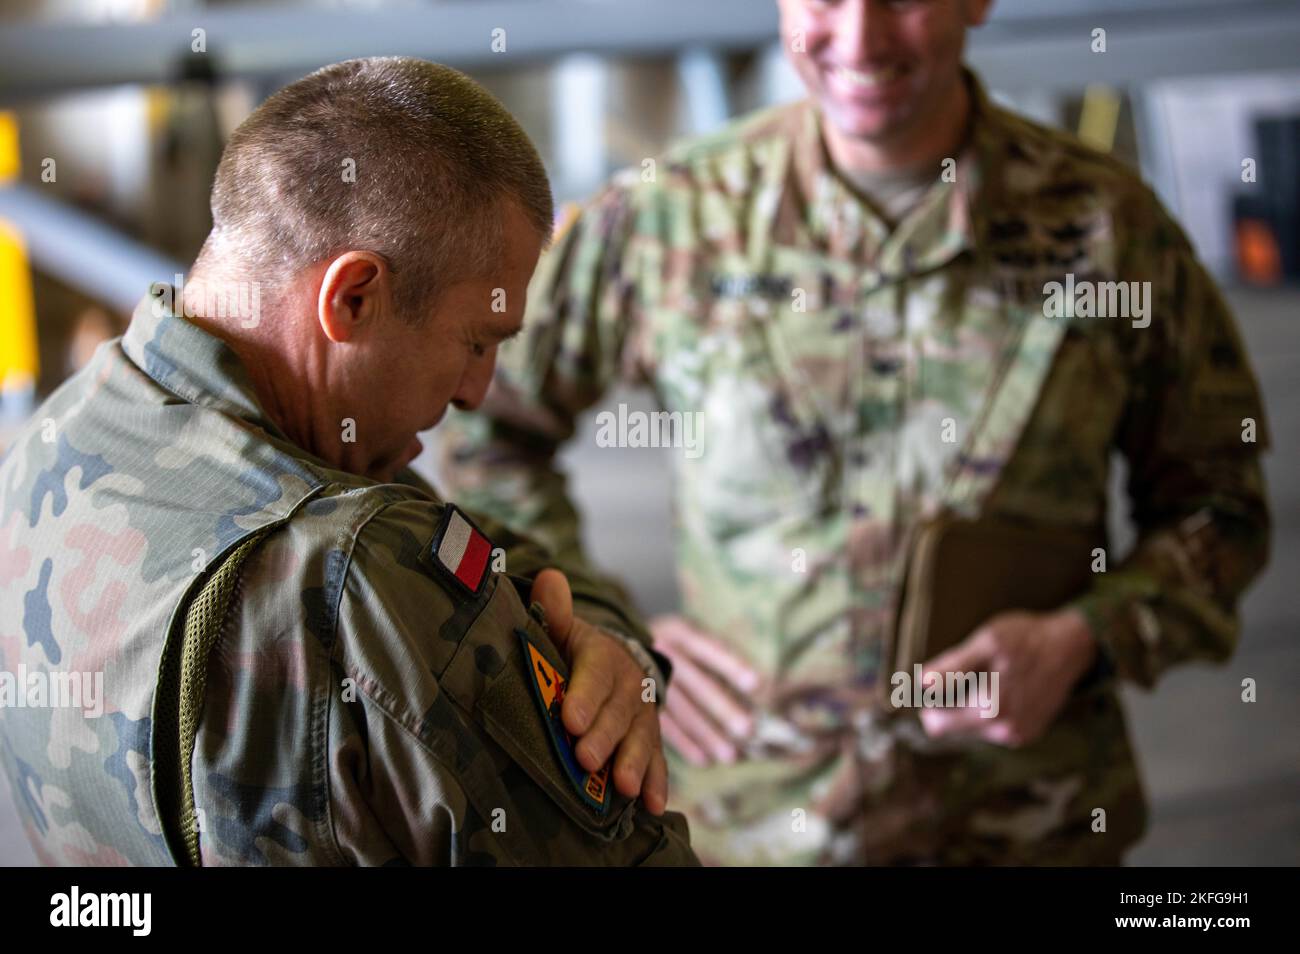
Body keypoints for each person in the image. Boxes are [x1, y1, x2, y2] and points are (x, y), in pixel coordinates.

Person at [437, 0, 1272, 865]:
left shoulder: (1108, 233)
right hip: (747, 830)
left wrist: (1087, 637)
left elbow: (1222, 510)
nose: (863, 38)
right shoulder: (671, 219)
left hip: (1029, 823)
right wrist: (604, 627)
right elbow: (486, 428)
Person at [0, 57, 695, 867]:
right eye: (476, 342)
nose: (477, 393)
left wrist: (604, 635)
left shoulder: (54, 438)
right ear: (352, 297)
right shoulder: (355, 572)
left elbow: (490, 544)